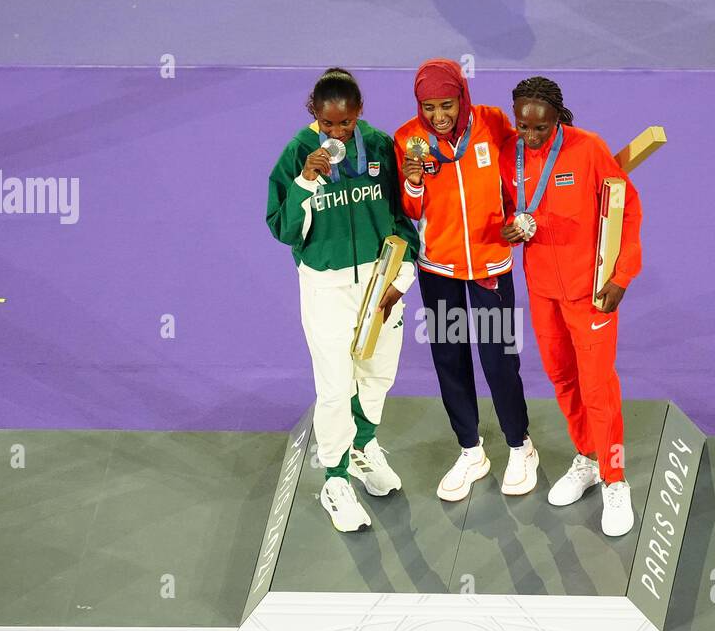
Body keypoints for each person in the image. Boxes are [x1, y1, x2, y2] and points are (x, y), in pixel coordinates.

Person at [266, 67, 420, 533]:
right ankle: (334, 479)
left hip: (378, 281)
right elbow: (283, 229)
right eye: (329, 123)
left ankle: (362, 447)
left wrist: (404, 274)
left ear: (358, 115)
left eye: (346, 123)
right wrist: (306, 183)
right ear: (315, 112)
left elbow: (400, 214)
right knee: (335, 385)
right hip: (326, 285)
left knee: (378, 374)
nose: (337, 132)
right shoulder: (296, 153)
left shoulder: (378, 146)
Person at [499, 77, 644, 537]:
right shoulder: (510, 155)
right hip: (542, 291)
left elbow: (628, 208)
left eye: (541, 128)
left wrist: (621, 275)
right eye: (523, 126)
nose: (531, 136)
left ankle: (615, 477)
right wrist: (508, 227)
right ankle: (587, 457)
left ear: (558, 118)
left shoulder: (588, 149)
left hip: (592, 292)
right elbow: (504, 209)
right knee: (563, 379)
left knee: (598, 387)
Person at [393, 59, 538, 502]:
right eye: (430, 107)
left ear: (462, 98)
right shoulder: (408, 140)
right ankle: (471, 450)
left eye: (447, 105)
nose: (439, 116)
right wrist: (414, 182)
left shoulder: (491, 123)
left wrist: (519, 217)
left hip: (490, 266)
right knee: (450, 359)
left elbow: (521, 171)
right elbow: (411, 211)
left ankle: (520, 446)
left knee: (498, 360)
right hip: (438, 270)